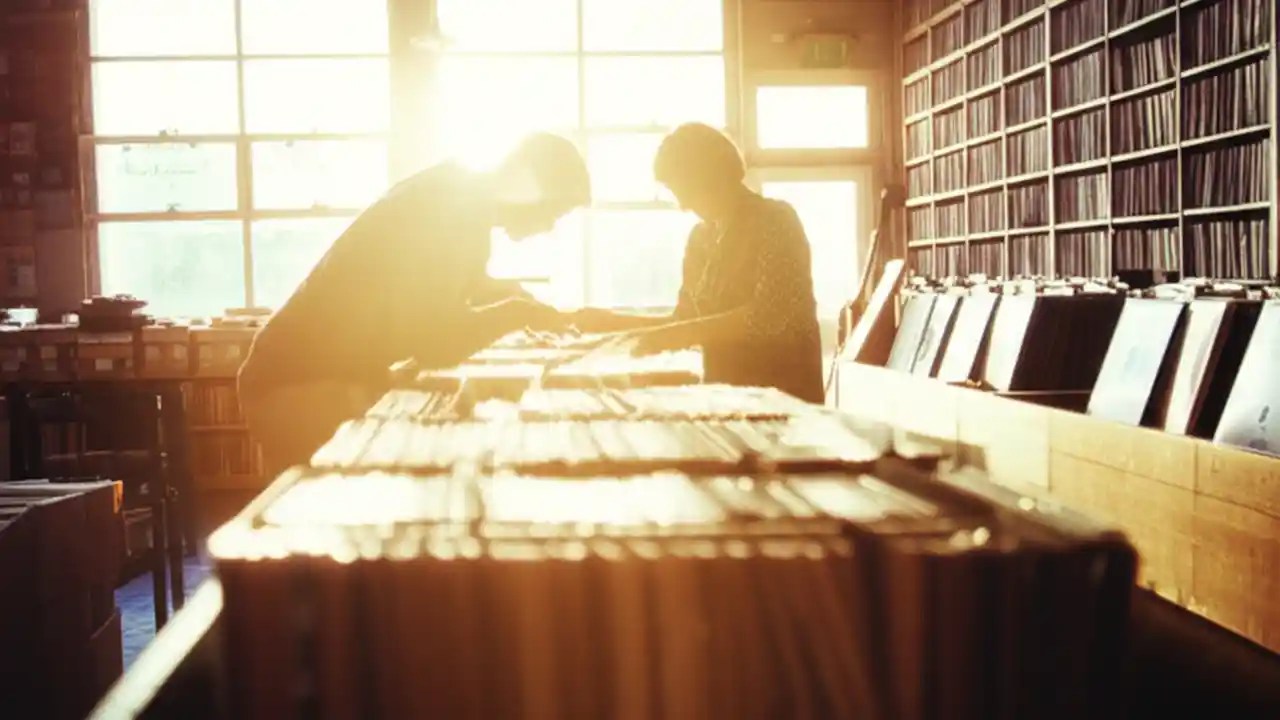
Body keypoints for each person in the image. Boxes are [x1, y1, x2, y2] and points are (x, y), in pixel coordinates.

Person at [239, 132, 590, 478]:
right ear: (528, 186)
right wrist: (516, 313)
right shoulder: (450, 209)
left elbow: (440, 287)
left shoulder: (456, 198)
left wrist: (508, 295)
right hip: (298, 386)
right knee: (363, 507)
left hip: (302, 376)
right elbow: (434, 342)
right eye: (553, 212)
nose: (548, 227)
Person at [573, 123, 824, 403]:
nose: (682, 204)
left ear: (709, 176)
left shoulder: (775, 220)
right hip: (726, 396)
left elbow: (769, 315)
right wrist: (610, 322)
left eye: (682, 188)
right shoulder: (701, 238)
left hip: (784, 398)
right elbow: (685, 321)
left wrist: (668, 335)